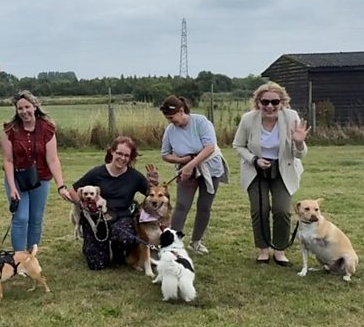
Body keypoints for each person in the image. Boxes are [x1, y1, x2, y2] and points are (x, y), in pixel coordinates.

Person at [232, 82, 309, 265]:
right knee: (260, 209)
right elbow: (238, 145)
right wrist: (254, 160)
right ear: (258, 102)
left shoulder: (291, 118)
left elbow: (300, 154)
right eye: (265, 102)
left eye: (275, 102)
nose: (270, 106)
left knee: (282, 210)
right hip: (256, 169)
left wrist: (299, 142)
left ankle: (280, 251)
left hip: (283, 168)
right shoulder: (248, 119)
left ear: (282, 102)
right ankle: (263, 250)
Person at [1, 90, 70, 253]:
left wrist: (61, 185)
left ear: (35, 107)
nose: (24, 112)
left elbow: (52, 159)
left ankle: (31, 255)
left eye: (27, 107)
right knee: (21, 217)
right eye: (20, 108)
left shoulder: (47, 128)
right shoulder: (10, 129)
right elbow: (8, 160)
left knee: (36, 219)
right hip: (17, 178)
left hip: (41, 178)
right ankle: (19, 257)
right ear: (16, 111)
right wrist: (12, 188)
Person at [159, 95, 229, 254]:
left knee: (204, 206)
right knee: (182, 205)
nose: (171, 121)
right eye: (168, 118)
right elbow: (165, 154)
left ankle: (196, 241)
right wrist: (181, 160)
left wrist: (191, 165)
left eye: (172, 117)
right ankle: (173, 243)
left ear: (181, 111)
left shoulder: (201, 122)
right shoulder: (170, 130)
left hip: (210, 167)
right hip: (185, 169)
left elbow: (209, 147)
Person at [71, 136, 153, 270]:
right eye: (119, 153)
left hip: (122, 218)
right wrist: (82, 204)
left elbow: (152, 196)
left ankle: (118, 250)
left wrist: (154, 183)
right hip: (98, 219)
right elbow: (72, 191)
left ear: (130, 157)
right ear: (112, 152)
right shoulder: (97, 173)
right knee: (96, 264)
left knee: (124, 239)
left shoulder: (135, 177)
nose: (122, 158)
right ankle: (93, 246)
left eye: (127, 155)